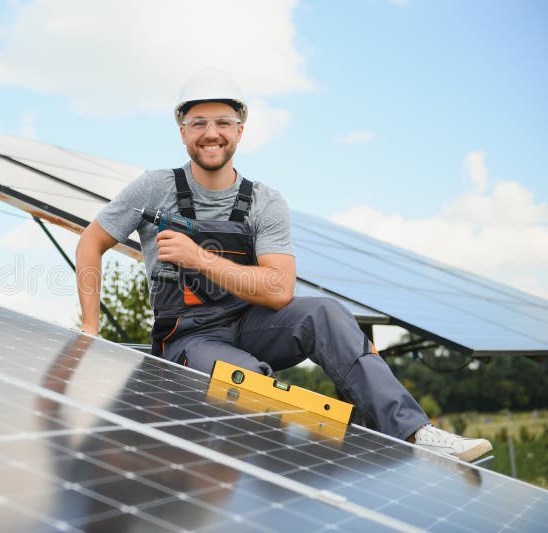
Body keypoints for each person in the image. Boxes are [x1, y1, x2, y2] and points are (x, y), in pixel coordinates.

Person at [75, 68, 491, 462]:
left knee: (325, 313)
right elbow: (91, 243)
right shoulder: (153, 188)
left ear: (240, 129)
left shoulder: (264, 202)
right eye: (198, 122)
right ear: (182, 130)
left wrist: (197, 256)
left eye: (223, 121)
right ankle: (314, 455)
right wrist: (91, 328)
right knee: (252, 385)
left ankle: (413, 432)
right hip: (188, 339)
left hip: (252, 325)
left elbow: (278, 290)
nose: (211, 133)